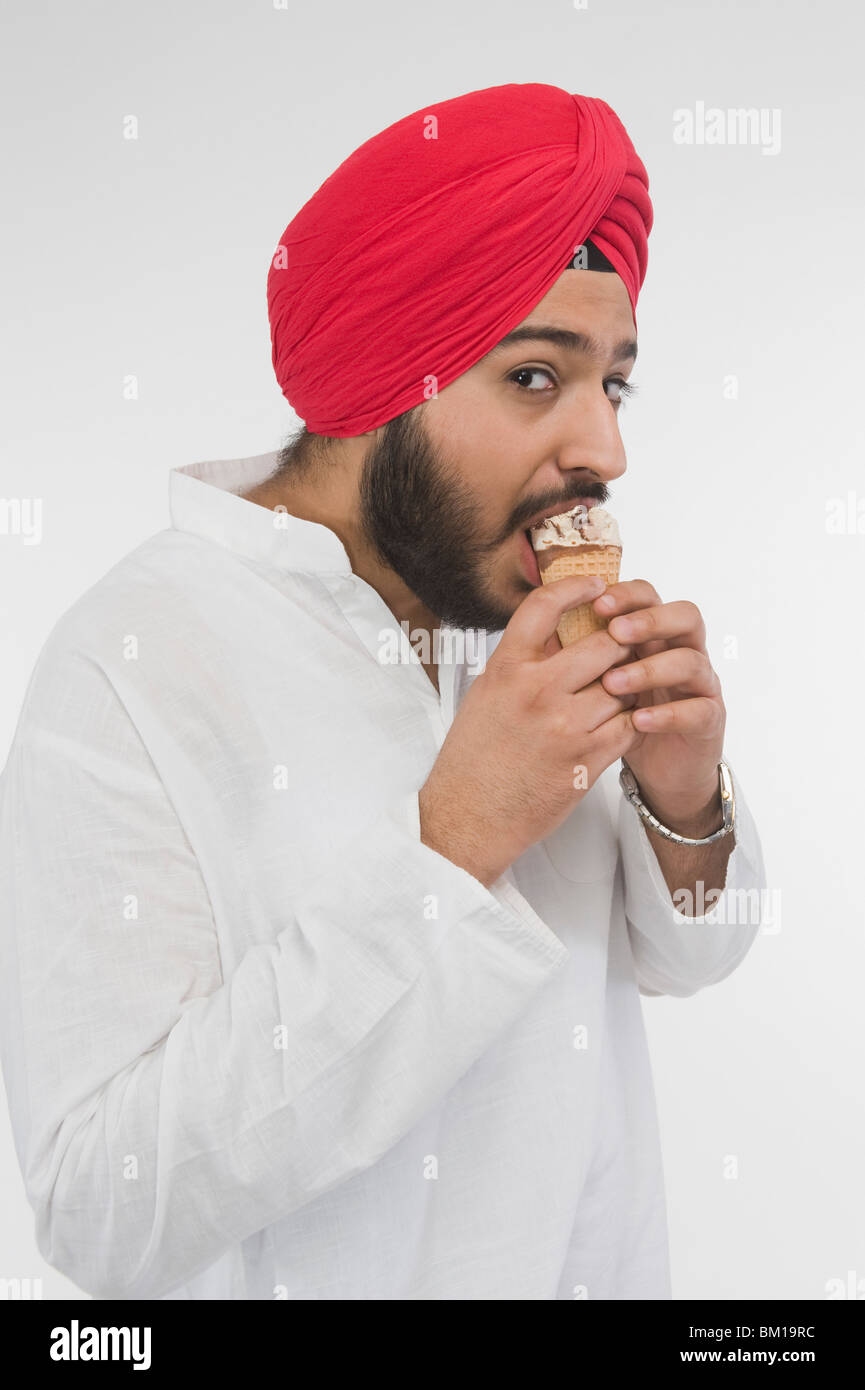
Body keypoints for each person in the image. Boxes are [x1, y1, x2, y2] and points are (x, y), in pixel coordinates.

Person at [0, 83, 766, 1300]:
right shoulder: (129, 666)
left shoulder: (501, 611)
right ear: (377, 387)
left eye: (611, 383)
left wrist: (685, 804)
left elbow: (690, 964)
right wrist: (454, 841)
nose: (605, 452)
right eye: (533, 378)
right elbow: (101, 1208)